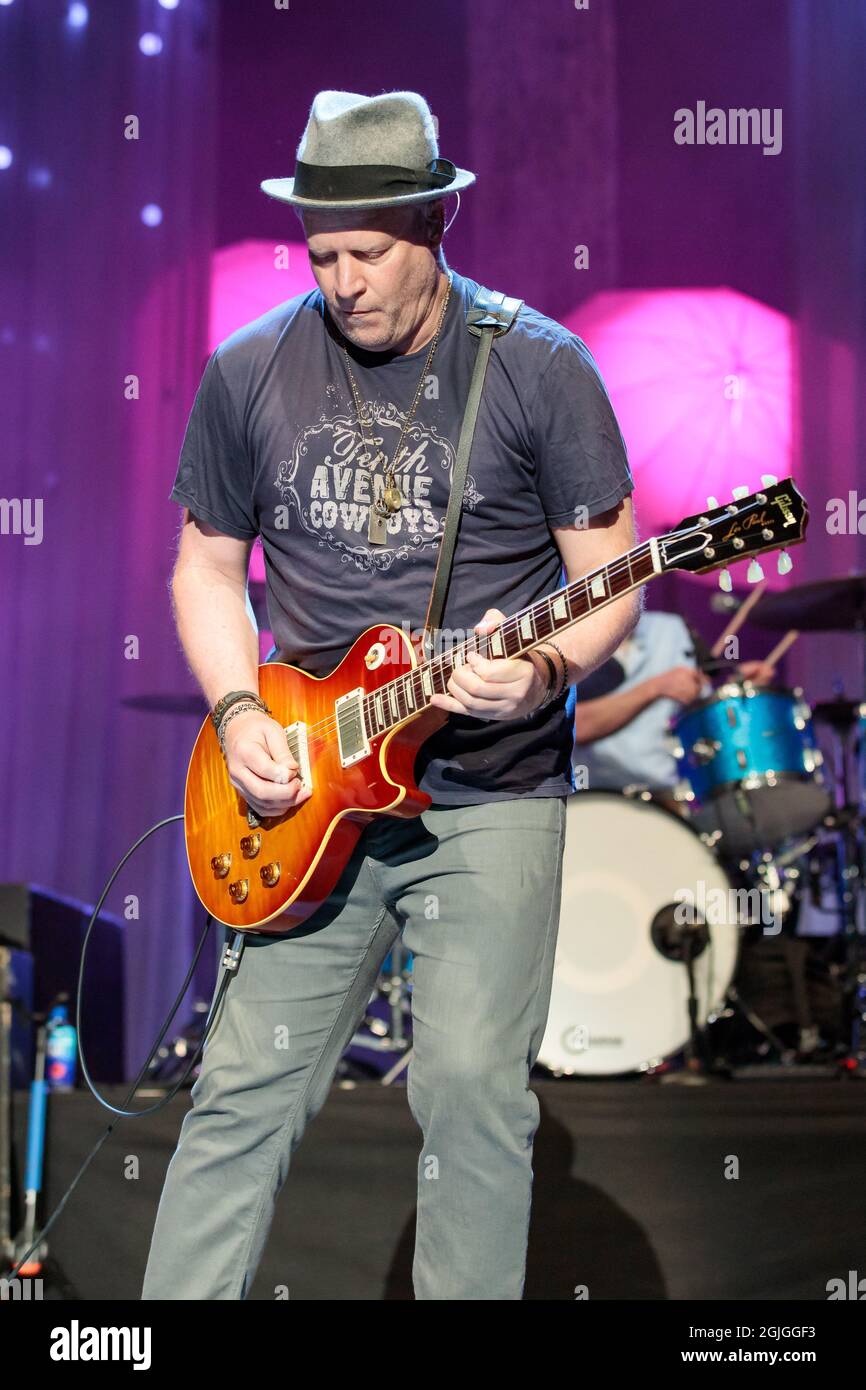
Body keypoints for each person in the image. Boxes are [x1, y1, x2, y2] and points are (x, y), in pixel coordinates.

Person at [142, 89, 638, 1301]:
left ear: (436, 224)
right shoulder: (249, 366)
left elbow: (609, 580)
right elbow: (207, 567)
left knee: (467, 1088)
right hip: (307, 797)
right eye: (321, 255)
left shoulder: (536, 366)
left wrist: (543, 667)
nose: (343, 281)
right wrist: (238, 713)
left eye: (368, 252)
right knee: (237, 1092)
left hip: (488, 791)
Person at [572, 608, 775, 797]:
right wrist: (655, 688)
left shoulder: (673, 628)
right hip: (597, 797)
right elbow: (576, 726)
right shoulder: (571, 639)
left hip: (670, 794)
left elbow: (698, 710)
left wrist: (736, 691)